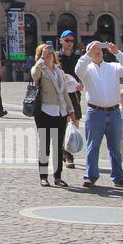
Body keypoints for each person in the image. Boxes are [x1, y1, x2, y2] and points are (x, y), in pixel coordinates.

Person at [75, 40, 123, 188]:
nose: (97, 51)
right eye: (93, 49)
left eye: (99, 49)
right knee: (93, 146)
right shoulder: (87, 70)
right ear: (88, 53)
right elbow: (77, 70)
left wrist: (116, 52)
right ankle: (90, 176)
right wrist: (87, 54)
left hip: (114, 111)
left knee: (115, 147)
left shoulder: (112, 67)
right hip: (95, 112)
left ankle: (118, 177)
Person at [29, 43, 79, 187]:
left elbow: (64, 93)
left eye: (50, 51)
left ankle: (58, 177)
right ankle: (43, 176)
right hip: (44, 111)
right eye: (45, 52)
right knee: (45, 145)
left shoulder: (59, 71)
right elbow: (34, 76)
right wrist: (42, 59)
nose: (49, 53)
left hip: (61, 112)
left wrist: (71, 110)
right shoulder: (40, 68)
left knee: (58, 146)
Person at [56, 31, 84, 168]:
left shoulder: (78, 56)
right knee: (64, 121)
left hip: (74, 94)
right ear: (61, 41)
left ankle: (67, 149)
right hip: (60, 94)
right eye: (67, 40)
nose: (70, 43)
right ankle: (67, 154)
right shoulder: (56, 56)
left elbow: (84, 72)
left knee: (75, 121)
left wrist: (82, 84)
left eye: (72, 40)